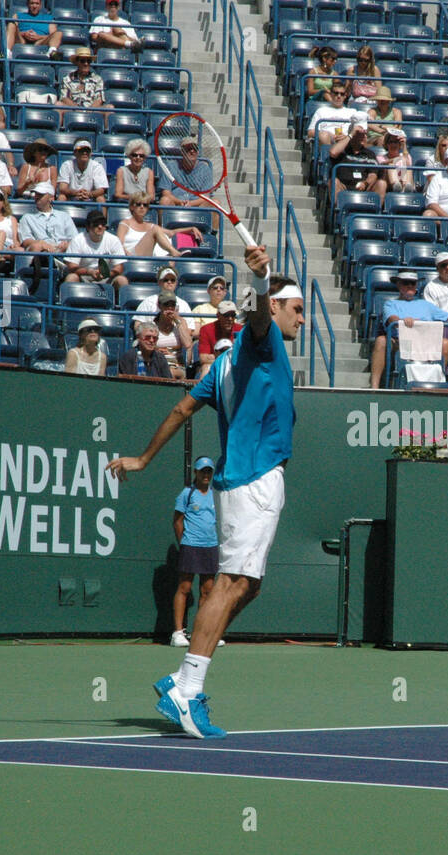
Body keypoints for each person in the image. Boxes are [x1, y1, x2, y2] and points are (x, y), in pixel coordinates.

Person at [107, 249, 303, 740]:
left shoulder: (221, 365)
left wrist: (145, 459)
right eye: (295, 307)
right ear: (274, 310)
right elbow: (258, 316)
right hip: (255, 481)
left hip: (242, 484)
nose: (300, 316)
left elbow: (180, 409)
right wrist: (259, 279)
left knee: (244, 584)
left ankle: (181, 678)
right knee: (234, 582)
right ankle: (189, 691)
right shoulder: (266, 340)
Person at [368, 270, 448, 389]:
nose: (410, 286)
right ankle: (374, 387)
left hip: (426, 343)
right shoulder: (390, 304)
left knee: (445, 343)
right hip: (402, 342)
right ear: (399, 285)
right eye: (406, 283)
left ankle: (437, 382)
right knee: (381, 341)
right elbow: (392, 319)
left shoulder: (426, 305)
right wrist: (404, 321)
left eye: (413, 283)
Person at [171, 458, 220, 647]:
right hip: (190, 546)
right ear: (196, 473)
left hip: (210, 546)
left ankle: (202, 634)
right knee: (184, 588)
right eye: (202, 471)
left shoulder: (216, 494)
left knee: (207, 591)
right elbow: (177, 520)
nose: (206, 475)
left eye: (209, 471)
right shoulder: (187, 493)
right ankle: (177, 633)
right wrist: (184, 542)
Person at [18, 181, 76, 292]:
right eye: (36, 194)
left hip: (61, 253)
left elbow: (75, 239)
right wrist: (43, 245)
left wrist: (66, 245)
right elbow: (26, 241)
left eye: (41, 194)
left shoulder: (64, 216)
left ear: (51, 198)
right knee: (37, 247)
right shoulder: (27, 218)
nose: (37, 197)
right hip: (40, 253)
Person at [119, 191, 198, 258]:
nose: (142, 207)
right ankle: (175, 253)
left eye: (145, 205)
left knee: (157, 230)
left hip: (148, 258)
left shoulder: (151, 226)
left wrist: (191, 228)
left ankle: (171, 259)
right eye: (138, 204)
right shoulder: (125, 224)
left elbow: (171, 232)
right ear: (132, 206)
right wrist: (126, 253)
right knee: (156, 229)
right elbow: (119, 244)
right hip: (131, 257)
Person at [63, 210, 127, 289]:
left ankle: (118, 301)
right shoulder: (78, 240)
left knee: (122, 280)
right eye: (96, 224)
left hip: (107, 277)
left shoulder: (114, 240)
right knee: (71, 278)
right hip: (83, 276)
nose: (100, 227)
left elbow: (119, 267)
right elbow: (72, 267)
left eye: (103, 223)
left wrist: (106, 274)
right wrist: (89, 272)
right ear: (88, 226)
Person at [330, 122, 388, 201]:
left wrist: (365, 183)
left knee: (382, 183)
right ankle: (337, 211)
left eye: (365, 134)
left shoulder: (369, 154)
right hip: (344, 187)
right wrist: (350, 135)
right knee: (334, 181)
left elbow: (373, 175)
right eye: (360, 134)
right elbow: (333, 153)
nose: (364, 137)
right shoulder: (342, 150)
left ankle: (376, 212)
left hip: (364, 189)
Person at [147, 294, 193, 378]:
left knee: (170, 372)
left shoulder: (181, 323)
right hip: (157, 363)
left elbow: (188, 345)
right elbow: (146, 345)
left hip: (176, 364)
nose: (169, 308)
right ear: (159, 306)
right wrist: (157, 350)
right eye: (166, 305)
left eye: (172, 305)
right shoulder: (152, 324)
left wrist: (177, 321)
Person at [57, 47, 106, 118]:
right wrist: (77, 109)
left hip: (93, 110)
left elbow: (99, 99)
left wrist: (89, 110)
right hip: (73, 110)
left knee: (110, 108)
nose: (86, 64)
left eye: (88, 61)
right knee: (58, 105)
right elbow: (64, 98)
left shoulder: (97, 79)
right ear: (77, 62)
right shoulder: (67, 79)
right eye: (82, 61)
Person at [196, 298, 242, 370]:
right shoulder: (206, 329)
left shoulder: (241, 330)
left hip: (235, 367)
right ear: (218, 316)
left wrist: (215, 356)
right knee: (206, 367)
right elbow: (203, 358)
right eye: (226, 315)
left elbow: (243, 357)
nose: (230, 318)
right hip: (214, 366)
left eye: (232, 315)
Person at [113, 139, 155, 203]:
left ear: (145, 158)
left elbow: (151, 197)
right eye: (134, 155)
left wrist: (139, 200)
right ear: (129, 156)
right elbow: (118, 195)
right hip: (126, 204)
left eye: (141, 156)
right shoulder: (121, 171)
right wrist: (136, 198)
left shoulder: (149, 172)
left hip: (143, 205)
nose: (138, 157)